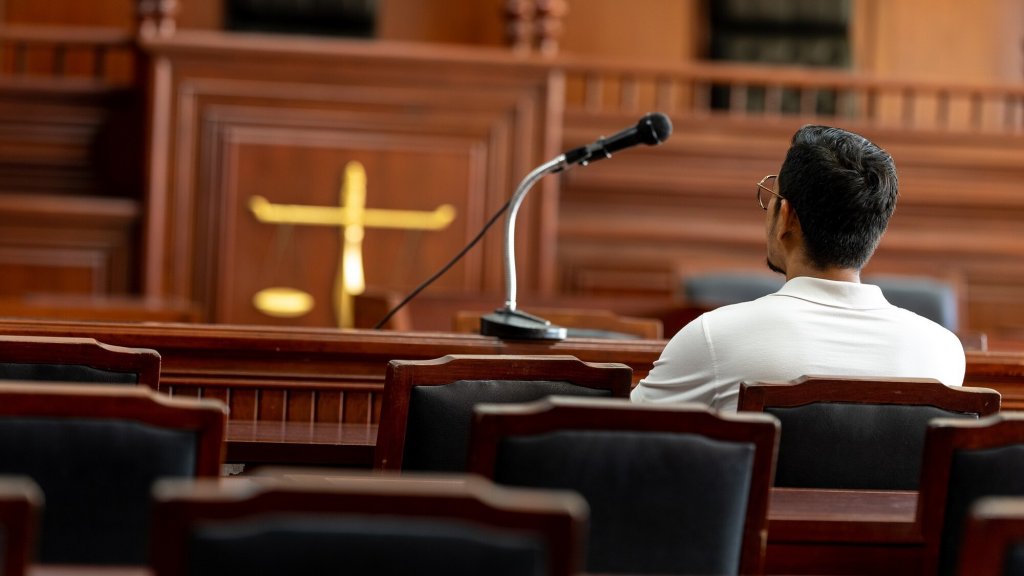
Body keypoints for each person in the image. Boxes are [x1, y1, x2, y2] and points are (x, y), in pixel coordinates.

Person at [631, 124, 966, 411]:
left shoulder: (714, 339)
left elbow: (625, 435)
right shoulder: (943, 353)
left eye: (771, 196)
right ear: (875, 229)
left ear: (786, 217)